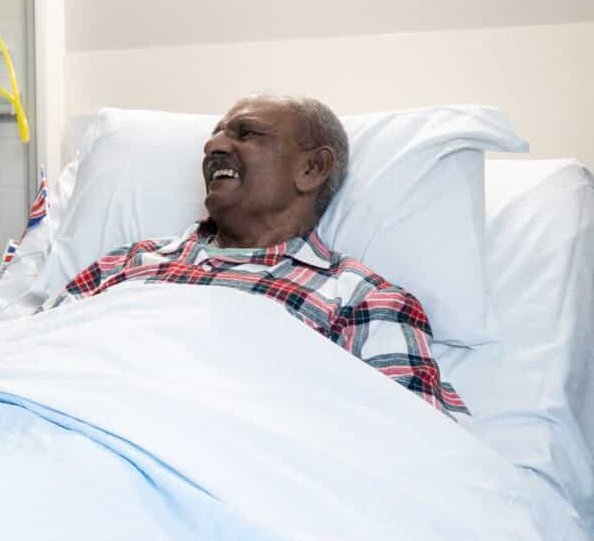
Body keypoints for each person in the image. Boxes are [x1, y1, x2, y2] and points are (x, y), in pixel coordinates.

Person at [52, 93, 468, 418]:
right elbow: (29, 358)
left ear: (311, 169)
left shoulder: (361, 301)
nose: (213, 145)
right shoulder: (127, 264)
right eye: (216, 133)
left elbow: (417, 445)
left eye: (245, 133)